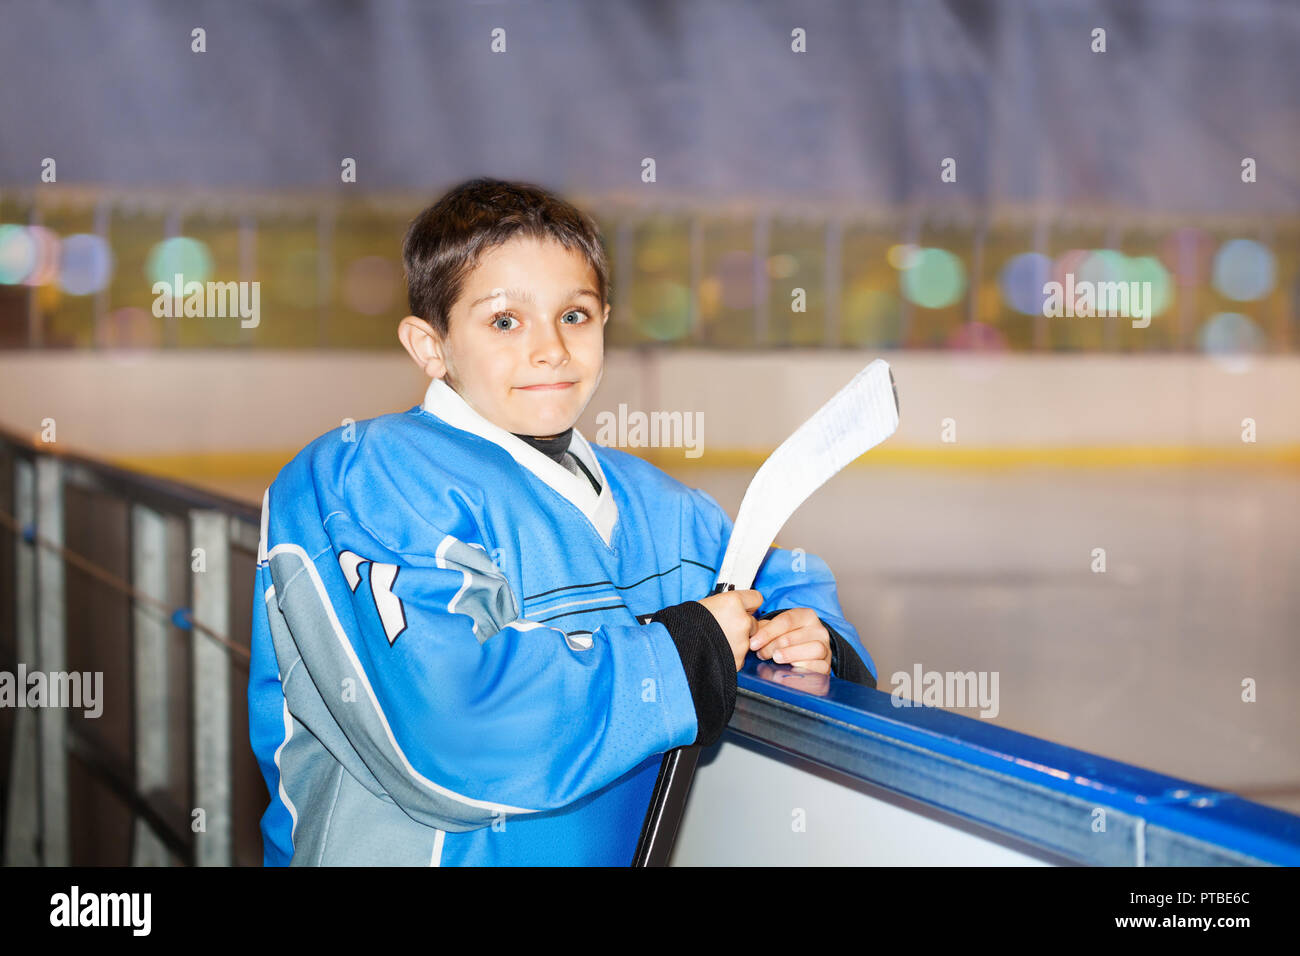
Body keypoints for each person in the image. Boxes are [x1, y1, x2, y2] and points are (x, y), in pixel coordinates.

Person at [247, 177, 877, 866]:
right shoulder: (362, 480)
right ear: (431, 346)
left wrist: (814, 646)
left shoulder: (661, 507)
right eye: (504, 321)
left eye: (573, 315)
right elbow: (454, 731)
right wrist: (680, 655)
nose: (550, 348)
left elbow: (783, 580)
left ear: (605, 318)